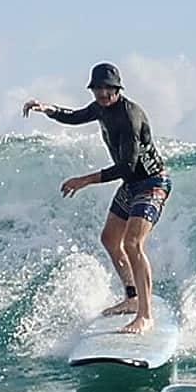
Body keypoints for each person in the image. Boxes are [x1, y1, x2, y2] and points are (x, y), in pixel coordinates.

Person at [23, 63, 171, 334]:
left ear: (117, 89)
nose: (102, 94)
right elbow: (75, 116)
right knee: (110, 239)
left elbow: (127, 166)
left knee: (133, 243)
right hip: (132, 184)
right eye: (97, 89)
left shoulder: (130, 117)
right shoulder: (100, 107)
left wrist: (84, 180)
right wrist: (48, 109)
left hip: (151, 183)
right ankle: (132, 297)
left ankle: (145, 315)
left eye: (107, 89)